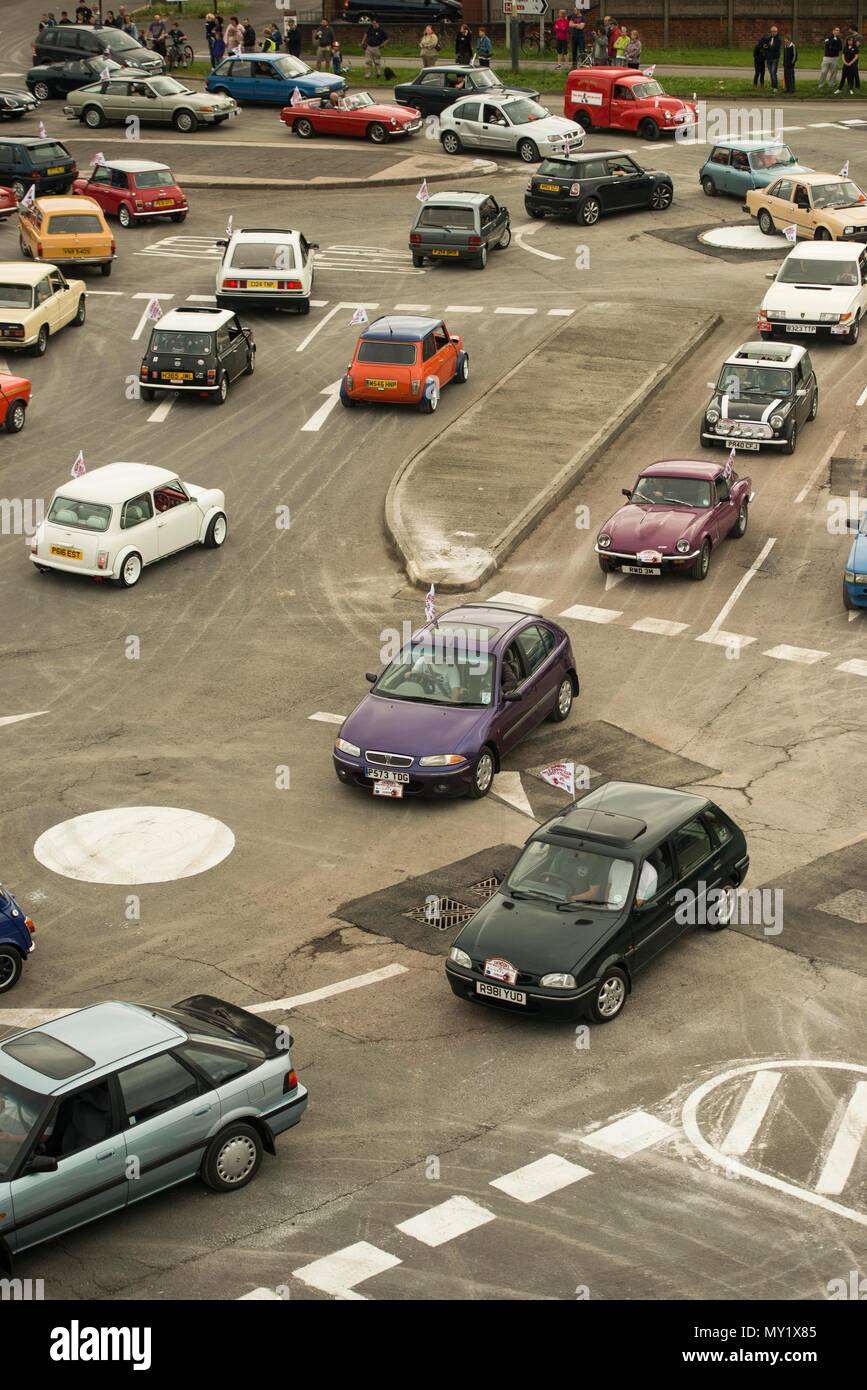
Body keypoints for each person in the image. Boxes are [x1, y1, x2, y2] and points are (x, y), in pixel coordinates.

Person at [846, 24, 862, 89]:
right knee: (848, 70)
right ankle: (850, 84)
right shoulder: (849, 36)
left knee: (855, 70)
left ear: (852, 29)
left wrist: (850, 47)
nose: (848, 30)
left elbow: (857, 45)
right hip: (848, 55)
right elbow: (847, 46)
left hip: (855, 55)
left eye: (849, 28)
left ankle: (857, 85)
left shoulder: (859, 36)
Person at [766, 25, 781, 89]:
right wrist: (766, 46)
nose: (773, 32)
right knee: (770, 73)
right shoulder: (769, 38)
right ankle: (772, 86)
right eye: (772, 31)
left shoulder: (778, 39)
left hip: (775, 59)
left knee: (773, 73)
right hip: (769, 58)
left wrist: (768, 47)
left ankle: (775, 87)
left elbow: (775, 48)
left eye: (774, 31)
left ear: (777, 32)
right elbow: (766, 45)